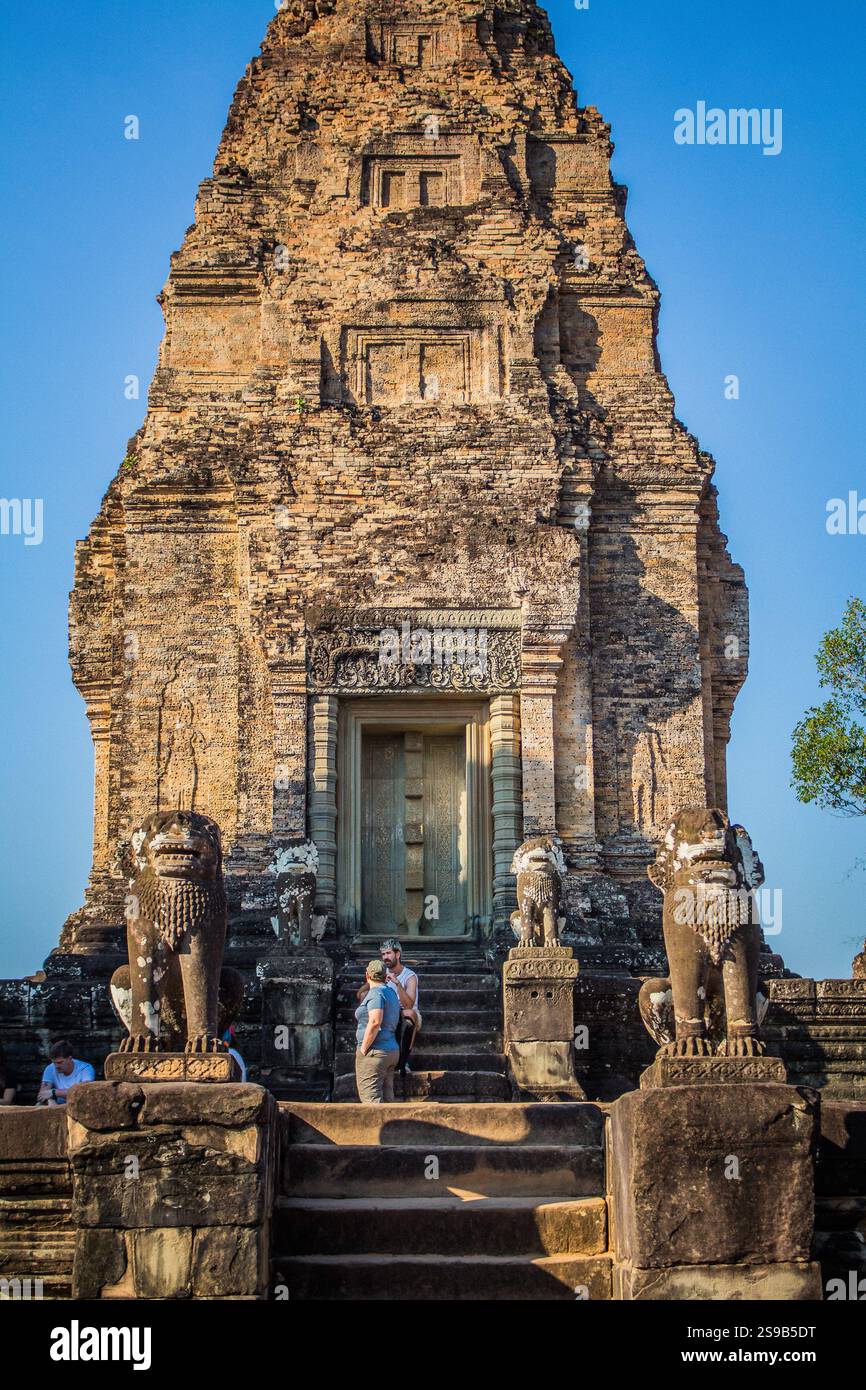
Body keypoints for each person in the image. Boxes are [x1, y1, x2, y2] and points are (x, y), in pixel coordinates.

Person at [354, 959, 400, 1103]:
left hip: (375, 1052)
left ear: (367, 975)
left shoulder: (376, 994)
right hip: (390, 1050)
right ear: (385, 976)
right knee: (387, 1100)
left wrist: (363, 1048)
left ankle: (380, 1126)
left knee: (371, 1100)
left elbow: (374, 1022)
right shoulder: (391, 992)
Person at [380, 939, 421, 1075]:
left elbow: (409, 1005)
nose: (385, 957)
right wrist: (375, 983)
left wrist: (397, 984)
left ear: (397, 955)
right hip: (387, 1012)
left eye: (388, 953)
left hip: (404, 1014)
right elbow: (361, 994)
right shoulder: (381, 973)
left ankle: (403, 1061)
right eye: (383, 954)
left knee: (409, 1014)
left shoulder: (410, 976)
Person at [36, 1041, 95, 1106]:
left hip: (79, 1104)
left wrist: (54, 1092)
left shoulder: (85, 1069)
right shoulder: (50, 1068)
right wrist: (50, 1100)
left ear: (70, 1059)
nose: (56, 1066)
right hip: (57, 1105)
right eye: (54, 1063)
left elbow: (85, 1091)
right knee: (39, 1105)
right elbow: (42, 1094)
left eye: (59, 1062)